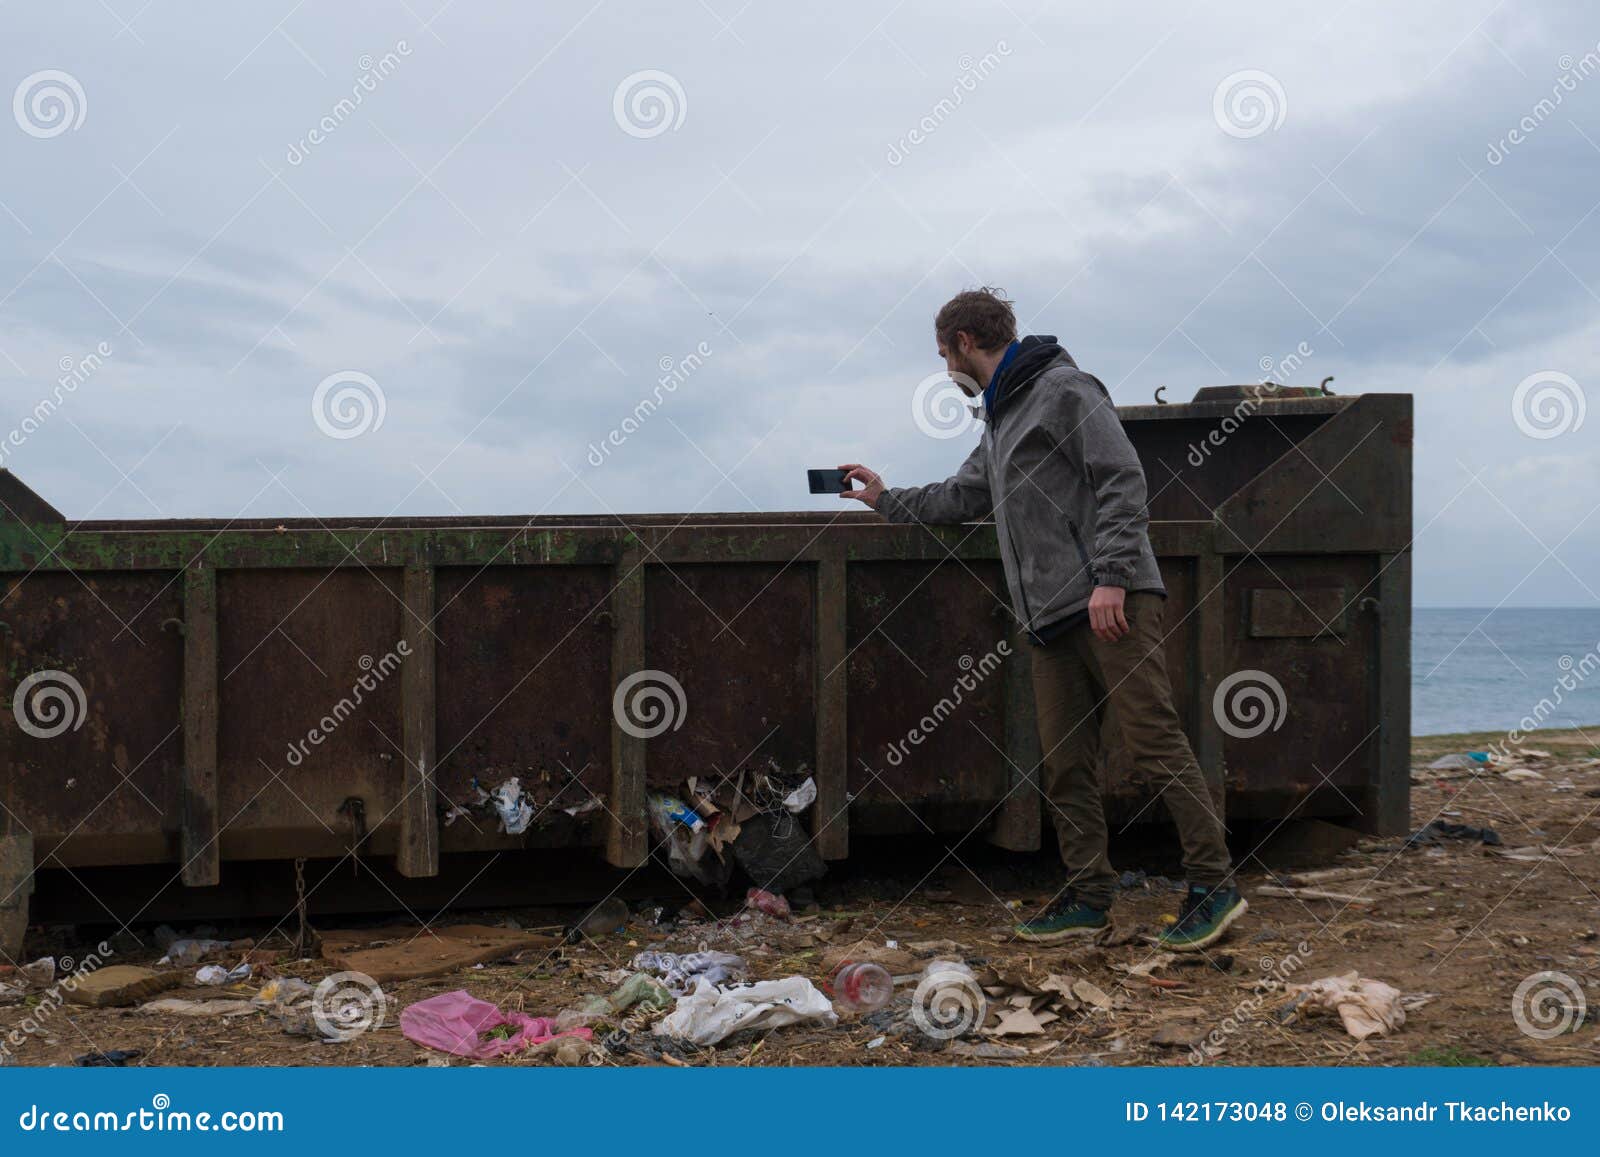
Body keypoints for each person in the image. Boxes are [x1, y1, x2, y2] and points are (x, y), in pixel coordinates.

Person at [839, 287, 1246, 951]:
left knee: (1153, 743)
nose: (945, 369)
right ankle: (1089, 894)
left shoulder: (1065, 390)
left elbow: (1123, 480)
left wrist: (1111, 578)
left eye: (944, 354)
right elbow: (963, 495)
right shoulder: (1000, 418)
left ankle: (1215, 883)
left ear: (966, 343)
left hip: (1108, 603)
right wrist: (885, 498)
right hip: (1050, 619)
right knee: (1065, 765)